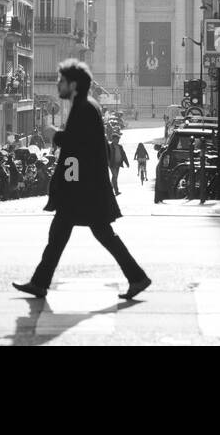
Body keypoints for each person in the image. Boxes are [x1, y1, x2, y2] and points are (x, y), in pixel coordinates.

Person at [13, 59, 150, 301]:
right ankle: (40, 282)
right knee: (70, 235)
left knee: (86, 234)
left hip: (83, 188)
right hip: (85, 186)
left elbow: (77, 145)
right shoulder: (88, 105)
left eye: (61, 81)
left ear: (73, 84)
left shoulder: (84, 107)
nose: (58, 85)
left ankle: (137, 277)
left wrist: (55, 135)